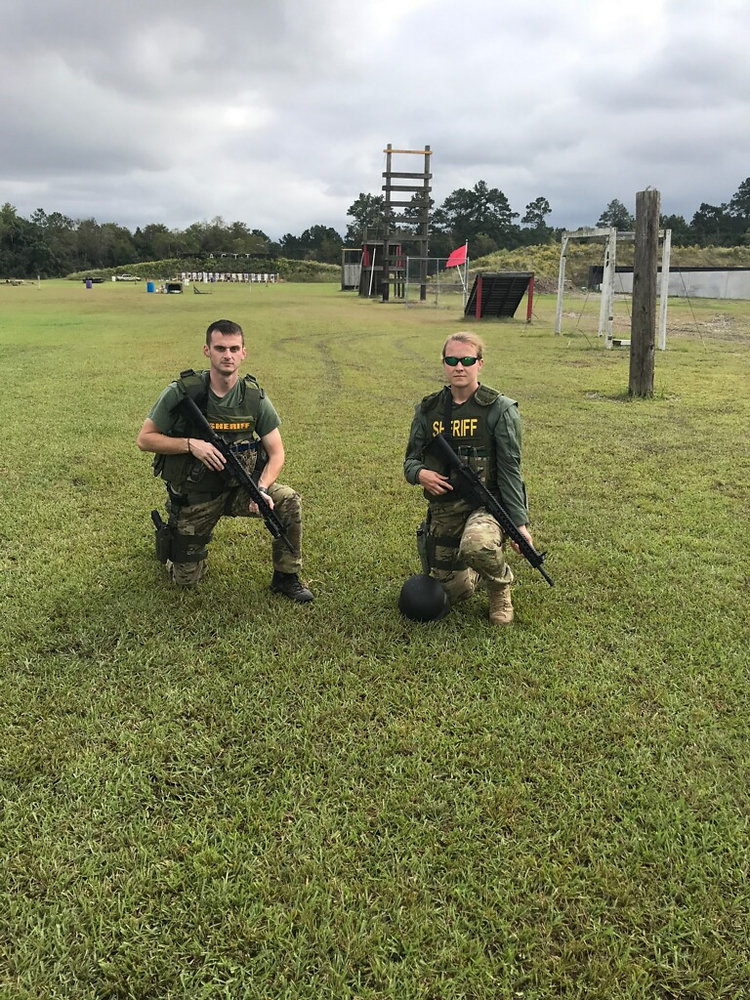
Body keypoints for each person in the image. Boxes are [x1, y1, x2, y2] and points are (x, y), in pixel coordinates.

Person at [136, 319, 313, 602]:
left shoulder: (254, 397)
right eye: (220, 348)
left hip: (239, 489)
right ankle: (175, 538)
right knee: (186, 580)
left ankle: (286, 577)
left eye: (233, 348)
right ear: (207, 351)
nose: (227, 355)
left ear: (244, 352)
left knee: (288, 499)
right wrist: (191, 445)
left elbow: (277, 452)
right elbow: (145, 439)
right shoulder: (183, 391)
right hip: (197, 496)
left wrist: (263, 488)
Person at [403, 332, 534, 625]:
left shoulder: (499, 410)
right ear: (444, 364)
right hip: (445, 508)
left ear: (480, 363)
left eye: (466, 360)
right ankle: (471, 568)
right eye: (452, 360)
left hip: (486, 505)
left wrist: (520, 525)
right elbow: (409, 461)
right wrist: (420, 473)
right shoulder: (428, 410)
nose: (459, 367)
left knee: (478, 545)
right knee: (455, 592)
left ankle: (500, 589)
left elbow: (511, 471)